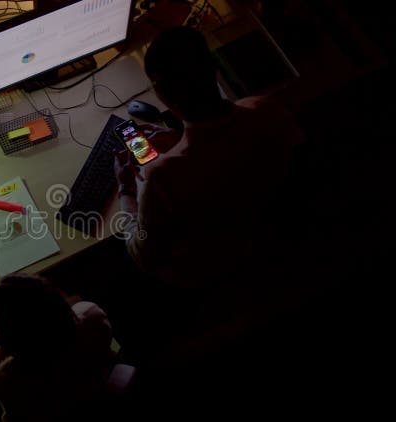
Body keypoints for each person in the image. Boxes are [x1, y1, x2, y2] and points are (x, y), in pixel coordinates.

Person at [110, 26, 308, 413]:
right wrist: (180, 136)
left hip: (198, 277)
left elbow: (144, 256)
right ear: (214, 71)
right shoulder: (267, 111)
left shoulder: (165, 176)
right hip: (257, 238)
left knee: (119, 261)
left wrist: (128, 191)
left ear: (162, 96)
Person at [0, 274, 116, 422]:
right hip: (94, 390)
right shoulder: (92, 316)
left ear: (8, 338)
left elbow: (15, 417)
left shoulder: (9, 376)